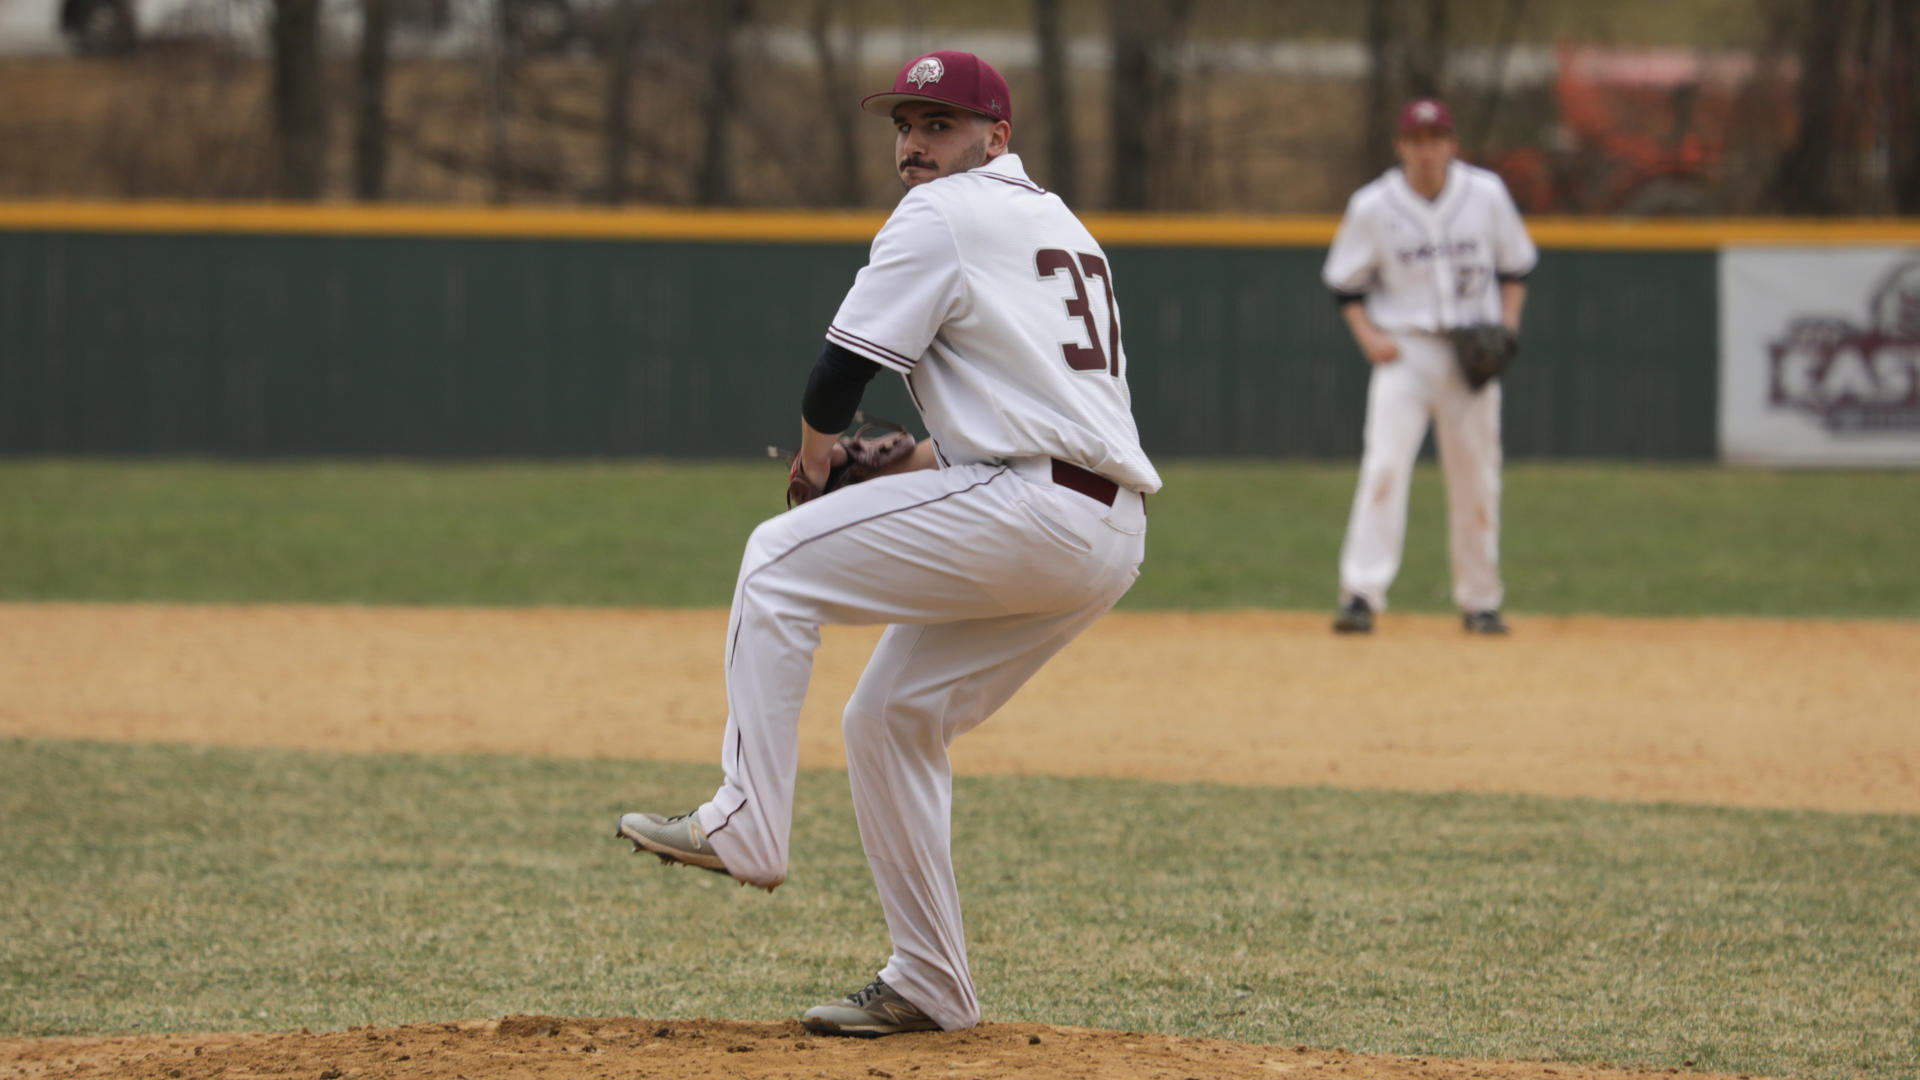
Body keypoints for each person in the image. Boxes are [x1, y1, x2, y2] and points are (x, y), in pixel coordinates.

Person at [614, 50, 1158, 1038]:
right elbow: (1024, 405)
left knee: (775, 562)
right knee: (892, 719)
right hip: (1106, 531)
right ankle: (932, 981)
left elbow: (835, 378)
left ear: (994, 137)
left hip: (1031, 510)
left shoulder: (942, 213)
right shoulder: (1057, 221)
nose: (914, 144)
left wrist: (818, 465)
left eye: (939, 124)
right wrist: (907, 459)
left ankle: (745, 822)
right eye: (905, 124)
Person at [1321, 98, 1537, 636]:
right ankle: (1361, 596)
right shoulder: (1374, 204)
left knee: (1477, 479)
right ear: (1401, 145)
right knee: (1385, 469)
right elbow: (1344, 283)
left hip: (1472, 353)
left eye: (1436, 138)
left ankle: (1480, 600)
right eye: (1416, 140)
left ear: (1451, 143)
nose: (1426, 149)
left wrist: (1508, 327)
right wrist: (1368, 335)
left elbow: (1516, 267)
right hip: (1407, 350)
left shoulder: (1485, 195)